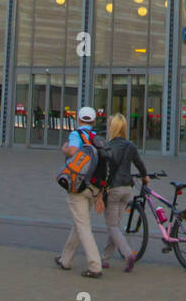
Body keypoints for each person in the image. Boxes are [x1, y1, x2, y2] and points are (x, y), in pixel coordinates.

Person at [55, 106, 104, 278]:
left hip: (77, 186)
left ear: (79, 119)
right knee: (79, 222)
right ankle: (65, 259)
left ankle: (95, 265)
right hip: (93, 187)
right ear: (93, 120)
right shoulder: (96, 137)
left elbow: (74, 150)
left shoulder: (76, 134)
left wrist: (65, 149)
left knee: (83, 226)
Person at [101, 112, 149, 272]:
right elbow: (140, 164)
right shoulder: (130, 145)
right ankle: (104, 258)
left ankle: (128, 254)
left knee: (112, 225)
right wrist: (145, 177)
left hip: (114, 190)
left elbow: (103, 172)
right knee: (115, 226)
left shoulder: (107, 147)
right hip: (127, 189)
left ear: (111, 128)